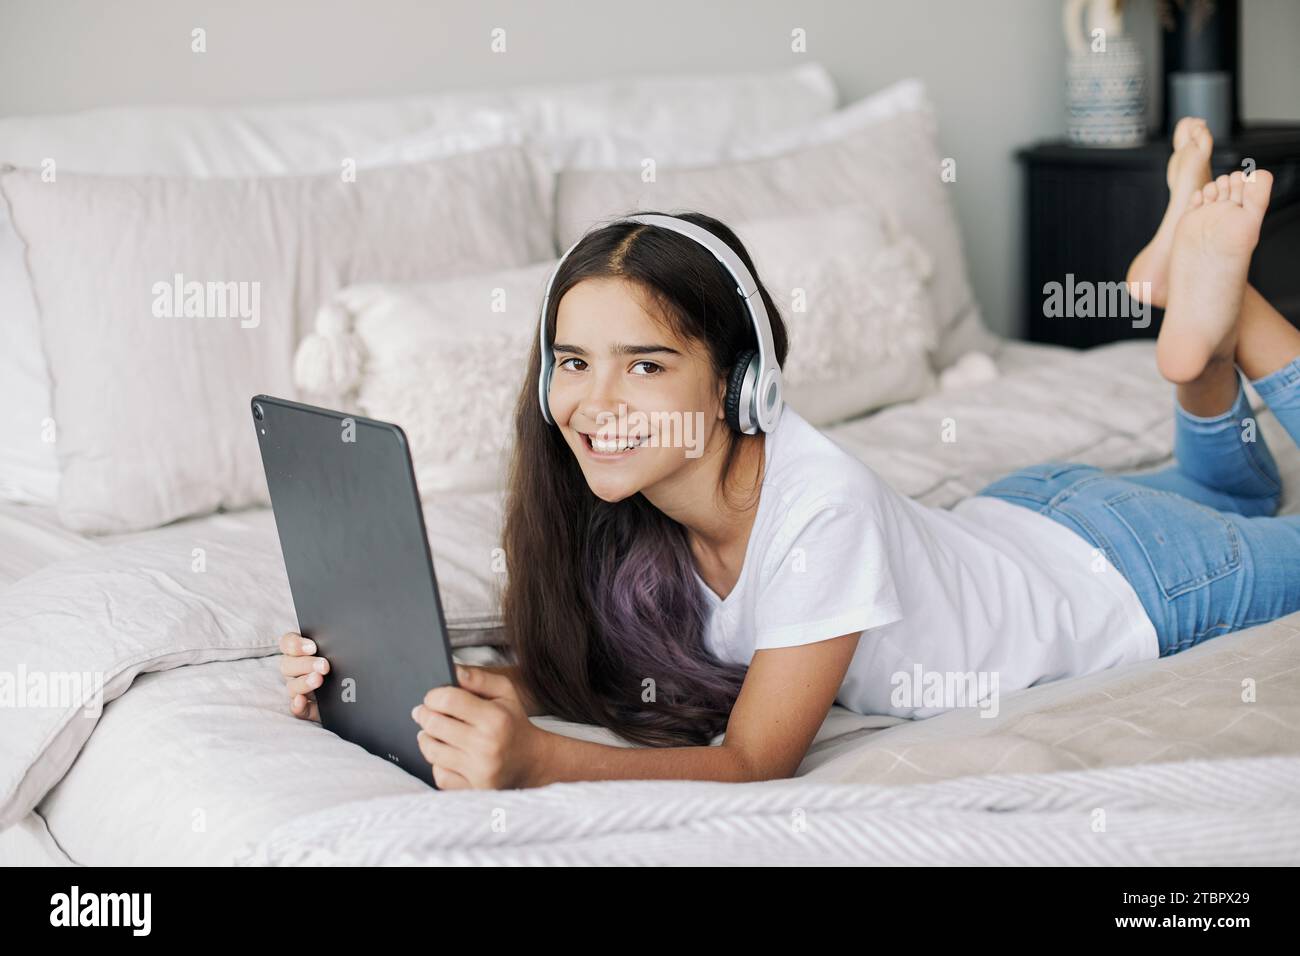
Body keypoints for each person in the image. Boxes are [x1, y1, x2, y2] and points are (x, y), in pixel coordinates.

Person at [280, 118, 1299, 790]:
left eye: (644, 366)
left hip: (1130, 581)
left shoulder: (821, 507)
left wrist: (542, 760)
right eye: (573, 361)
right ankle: (1197, 330)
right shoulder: (625, 506)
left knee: (1241, 512)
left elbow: (755, 757)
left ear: (737, 383)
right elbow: (623, 667)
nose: (594, 403)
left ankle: (1236, 319)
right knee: (1235, 491)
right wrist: (441, 682)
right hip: (1034, 514)